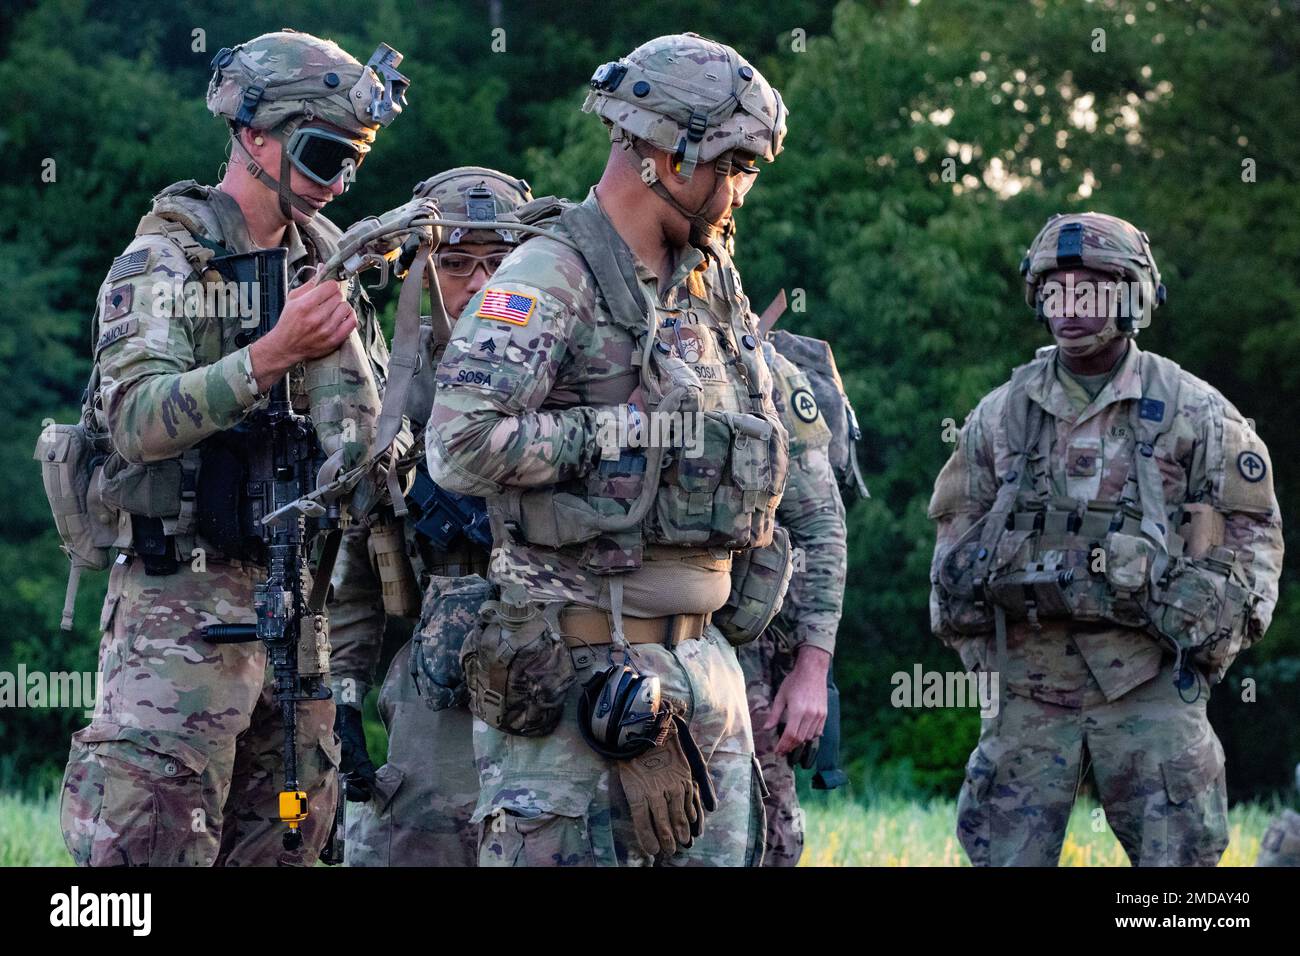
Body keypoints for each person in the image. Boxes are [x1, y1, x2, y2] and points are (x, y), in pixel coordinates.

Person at [427, 32, 788, 866]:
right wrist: (609, 431)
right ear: (663, 154)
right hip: (577, 682)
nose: (739, 190)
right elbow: (458, 444)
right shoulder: (550, 277)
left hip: (704, 670)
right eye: (730, 165)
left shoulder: (708, 280)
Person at [57, 30, 408, 866]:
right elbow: (136, 417)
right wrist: (270, 356)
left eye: (350, 166)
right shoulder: (163, 261)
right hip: (176, 624)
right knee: (145, 857)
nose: (335, 184)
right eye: (323, 156)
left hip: (297, 623)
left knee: (288, 841)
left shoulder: (327, 267)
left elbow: (362, 454)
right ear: (254, 137)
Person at [928, 212, 1283, 866]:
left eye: (1091, 290)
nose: (1071, 308)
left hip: (1150, 686)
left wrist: (1202, 654)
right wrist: (993, 671)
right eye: (1056, 291)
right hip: (1029, 694)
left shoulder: (1193, 411)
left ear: (1134, 298)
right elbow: (954, 548)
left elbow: (1252, 544)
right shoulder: (1001, 415)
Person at [331, 167, 533, 866]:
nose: (479, 283)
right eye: (454, 263)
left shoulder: (577, 378)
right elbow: (358, 570)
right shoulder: (392, 402)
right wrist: (344, 701)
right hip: (438, 686)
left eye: (499, 263)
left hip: (559, 670)